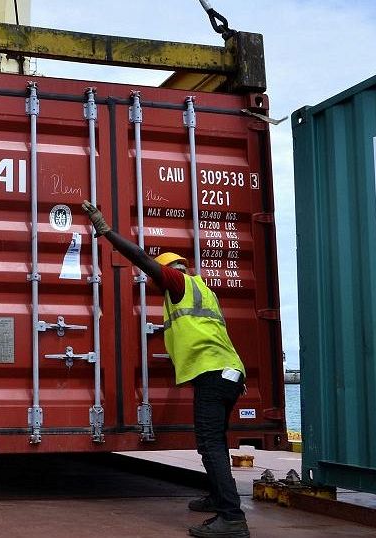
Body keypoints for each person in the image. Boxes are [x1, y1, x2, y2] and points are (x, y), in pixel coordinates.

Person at [81, 201, 249, 538]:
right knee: (216, 441)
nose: (155, 279)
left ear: (169, 270)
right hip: (230, 374)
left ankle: (231, 519)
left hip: (213, 375)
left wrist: (106, 231)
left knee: (210, 444)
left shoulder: (177, 282)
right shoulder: (204, 290)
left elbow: (142, 259)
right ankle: (219, 497)